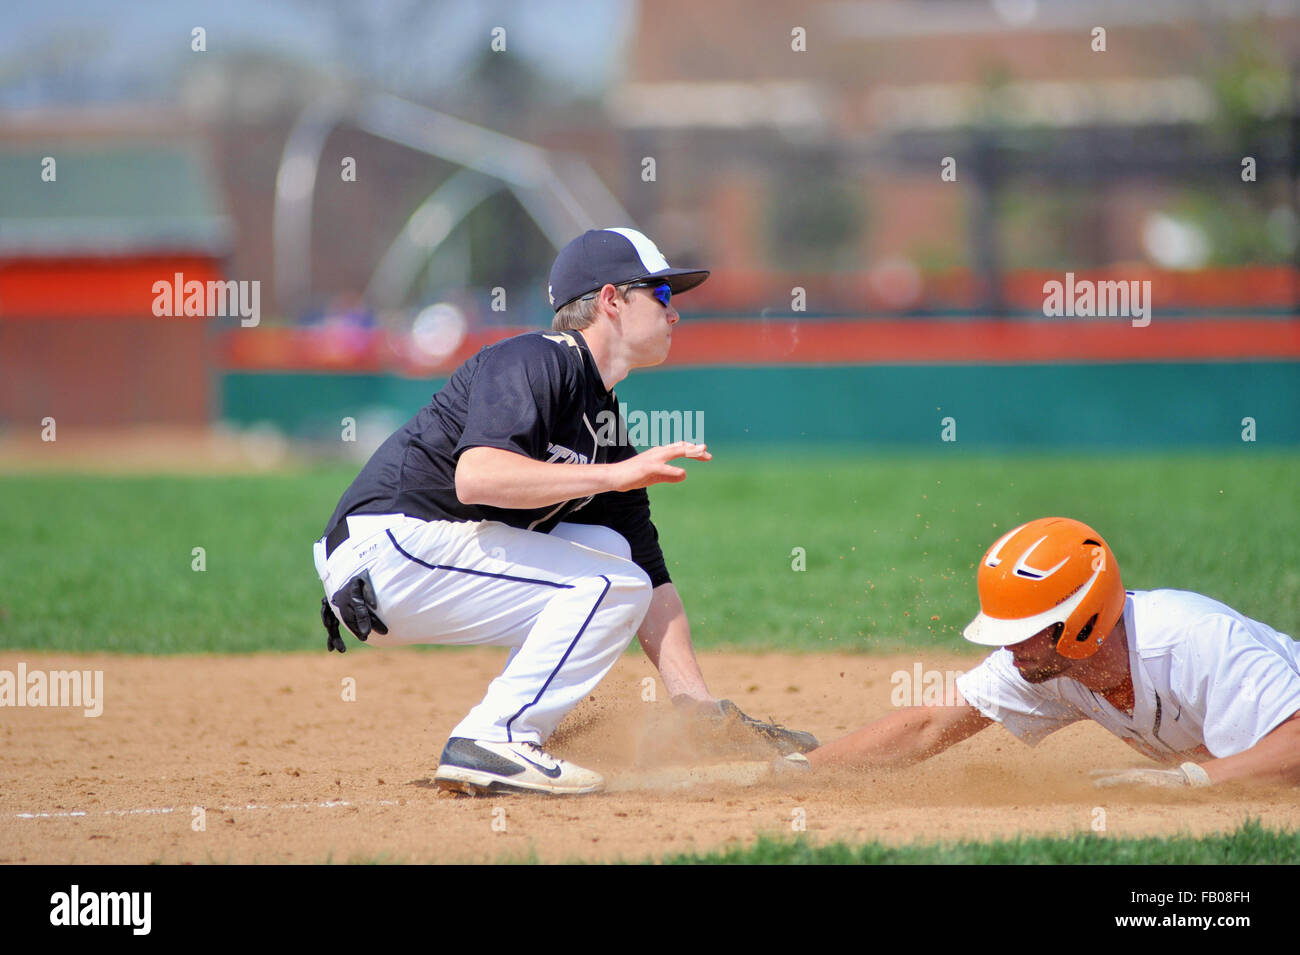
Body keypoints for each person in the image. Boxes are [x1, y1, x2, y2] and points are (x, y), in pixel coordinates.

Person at [313, 227, 817, 797]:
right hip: (388, 552)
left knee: (620, 559)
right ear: (611, 300)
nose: (674, 314)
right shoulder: (535, 358)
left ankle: (508, 735)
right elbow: (477, 475)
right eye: (662, 295)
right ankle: (495, 739)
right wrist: (612, 474)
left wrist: (698, 710)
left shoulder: (600, 418)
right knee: (611, 581)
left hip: (422, 563)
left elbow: (650, 576)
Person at [793, 517, 1300, 787]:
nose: (1007, 644)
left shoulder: (1194, 640)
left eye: (1024, 628)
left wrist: (1190, 782)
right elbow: (927, 725)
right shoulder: (1042, 662)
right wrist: (792, 771)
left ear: (1083, 620)